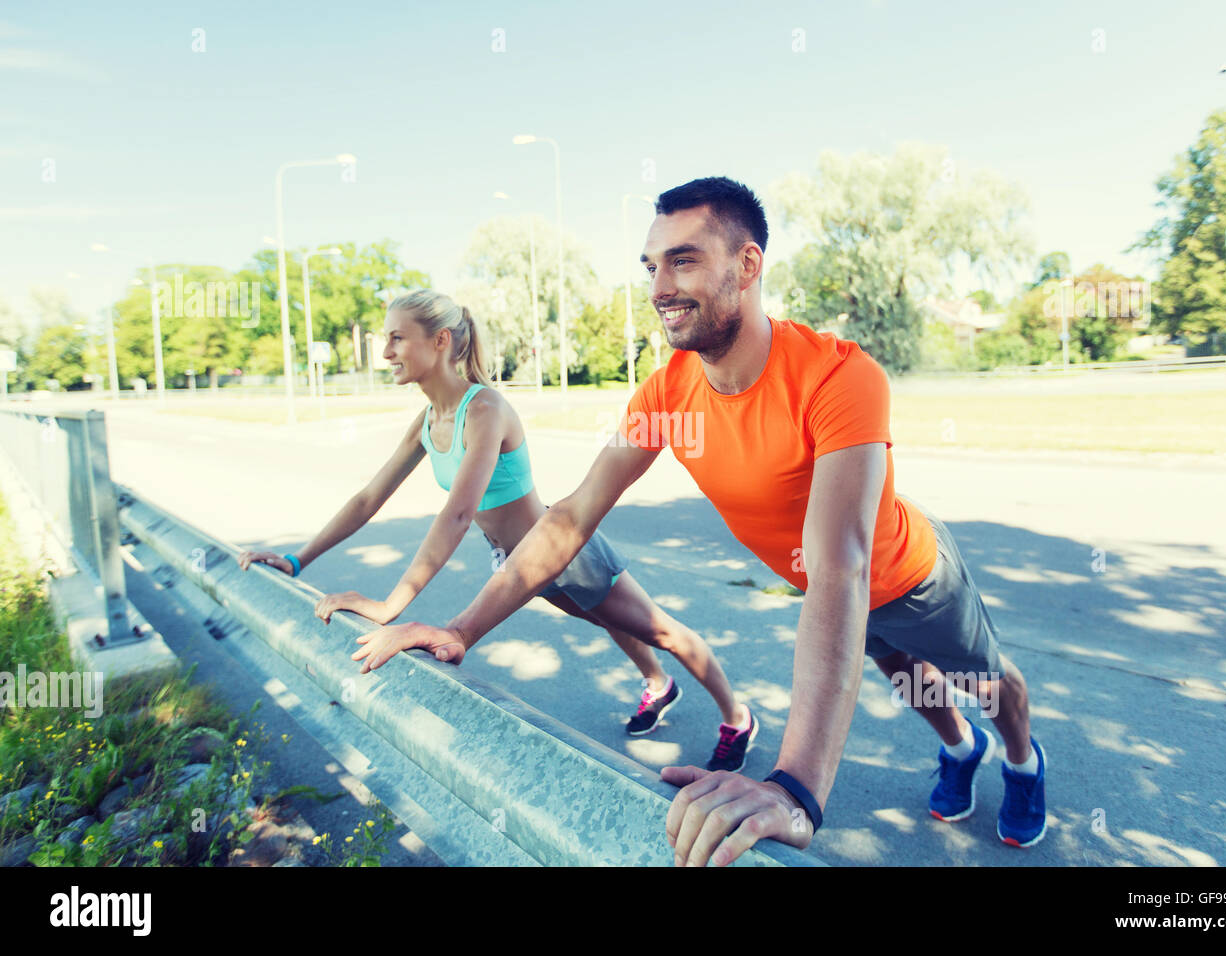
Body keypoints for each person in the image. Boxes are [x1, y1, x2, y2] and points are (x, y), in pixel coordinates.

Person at [352, 179, 1047, 866]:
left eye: (682, 260)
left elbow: (841, 569)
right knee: (908, 680)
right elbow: (570, 519)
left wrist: (796, 788)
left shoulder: (839, 376)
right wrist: (457, 630)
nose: (659, 286)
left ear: (747, 267)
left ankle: (1021, 760)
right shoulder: (669, 392)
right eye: (651, 266)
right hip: (852, 603)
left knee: (985, 685)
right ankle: (960, 749)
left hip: (912, 578)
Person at [237, 289, 755, 771]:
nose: (386, 350)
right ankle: (658, 684)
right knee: (608, 620)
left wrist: (389, 606)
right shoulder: (426, 421)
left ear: (439, 341)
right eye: (385, 338)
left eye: (397, 337)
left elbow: (458, 514)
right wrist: (298, 560)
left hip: (561, 553)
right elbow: (368, 498)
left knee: (661, 630)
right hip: (514, 564)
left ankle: (737, 716)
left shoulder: (483, 409)